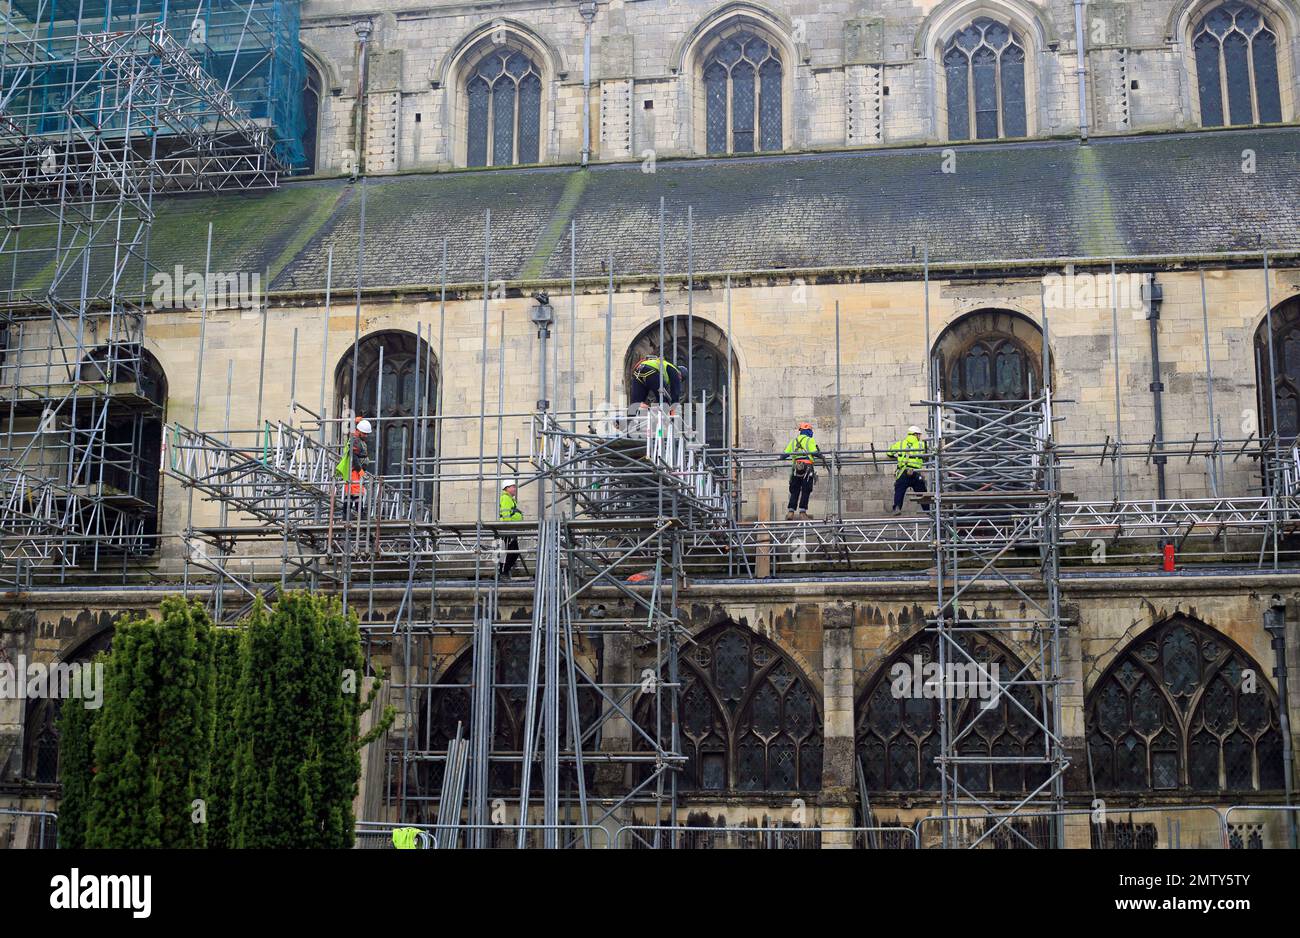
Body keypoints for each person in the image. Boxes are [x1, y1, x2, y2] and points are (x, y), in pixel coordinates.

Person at [781, 422, 826, 521]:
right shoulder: (809, 440)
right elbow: (814, 452)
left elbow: (783, 455)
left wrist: (780, 458)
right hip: (807, 468)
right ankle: (802, 512)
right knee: (806, 490)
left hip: (796, 469)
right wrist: (821, 456)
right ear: (808, 431)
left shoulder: (793, 441)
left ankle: (791, 512)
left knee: (794, 490)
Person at [888, 424, 927, 515]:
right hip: (915, 473)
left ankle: (897, 507)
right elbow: (927, 455)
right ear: (915, 435)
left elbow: (889, 453)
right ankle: (928, 510)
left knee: (899, 490)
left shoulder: (900, 444)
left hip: (903, 471)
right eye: (919, 435)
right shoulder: (921, 444)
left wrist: (899, 457)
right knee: (922, 492)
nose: (919, 437)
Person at [335, 417, 372, 507]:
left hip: (356, 470)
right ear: (359, 431)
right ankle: (358, 512)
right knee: (356, 492)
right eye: (364, 433)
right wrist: (360, 470)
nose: (366, 435)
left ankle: (349, 513)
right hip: (355, 470)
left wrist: (356, 422)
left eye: (367, 434)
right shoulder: (355, 441)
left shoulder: (357, 439)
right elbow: (354, 457)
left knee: (352, 492)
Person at [498, 478, 523, 578]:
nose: (515, 489)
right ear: (507, 488)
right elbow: (505, 513)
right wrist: (508, 525)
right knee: (508, 552)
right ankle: (503, 572)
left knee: (514, 551)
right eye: (513, 487)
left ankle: (505, 571)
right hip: (507, 529)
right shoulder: (505, 498)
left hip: (511, 529)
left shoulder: (510, 499)